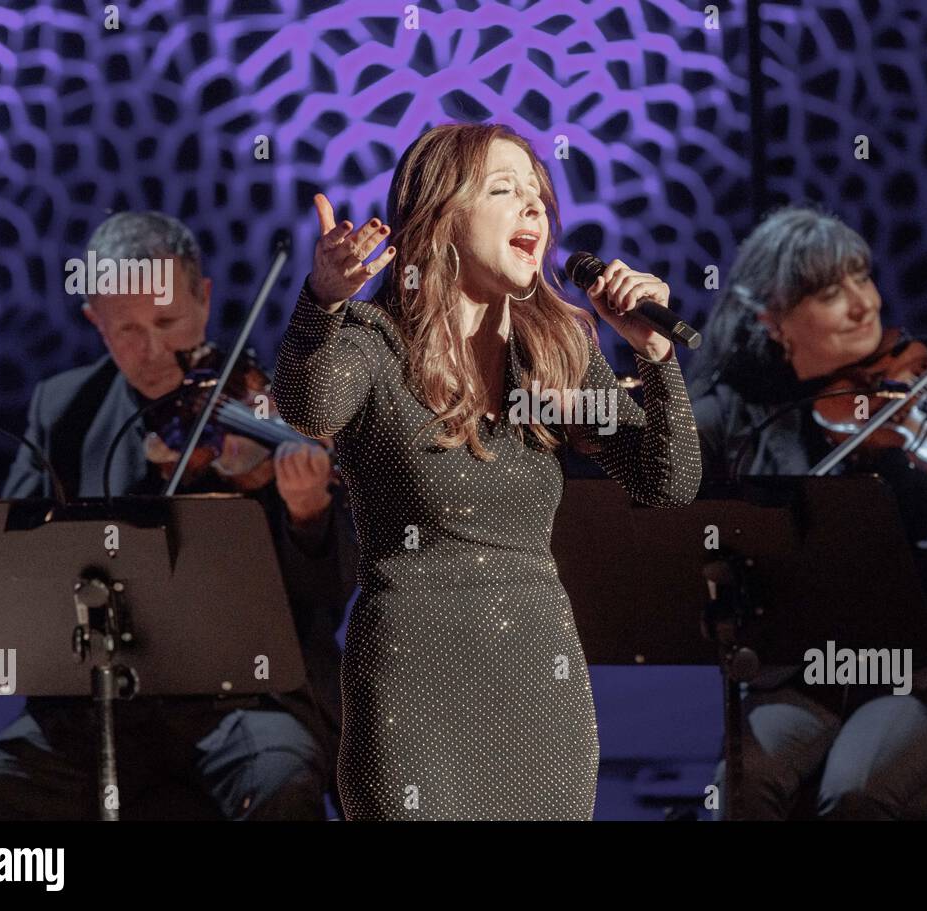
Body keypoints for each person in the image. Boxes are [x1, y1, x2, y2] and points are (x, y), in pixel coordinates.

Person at [272, 122, 702, 820]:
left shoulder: (556, 347)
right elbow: (308, 405)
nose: (533, 206)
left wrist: (655, 357)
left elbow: (666, 483)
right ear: (440, 218)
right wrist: (322, 302)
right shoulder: (374, 339)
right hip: (413, 684)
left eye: (537, 193)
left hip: (539, 682)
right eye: (504, 190)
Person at [0, 211, 357, 821]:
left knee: (279, 784)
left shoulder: (272, 403)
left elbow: (329, 595)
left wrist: (308, 513)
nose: (153, 349)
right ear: (94, 321)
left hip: (248, 701)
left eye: (167, 321)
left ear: (204, 300)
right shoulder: (64, 408)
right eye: (127, 329)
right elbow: (18, 567)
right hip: (97, 705)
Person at [688, 207, 927, 819]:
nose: (864, 304)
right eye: (829, 293)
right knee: (739, 793)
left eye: (862, 278)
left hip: (914, 672)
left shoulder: (910, 410)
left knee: (853, 799)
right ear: (773, 319)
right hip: (798, 675)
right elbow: (667, 501)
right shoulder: (734, 414)